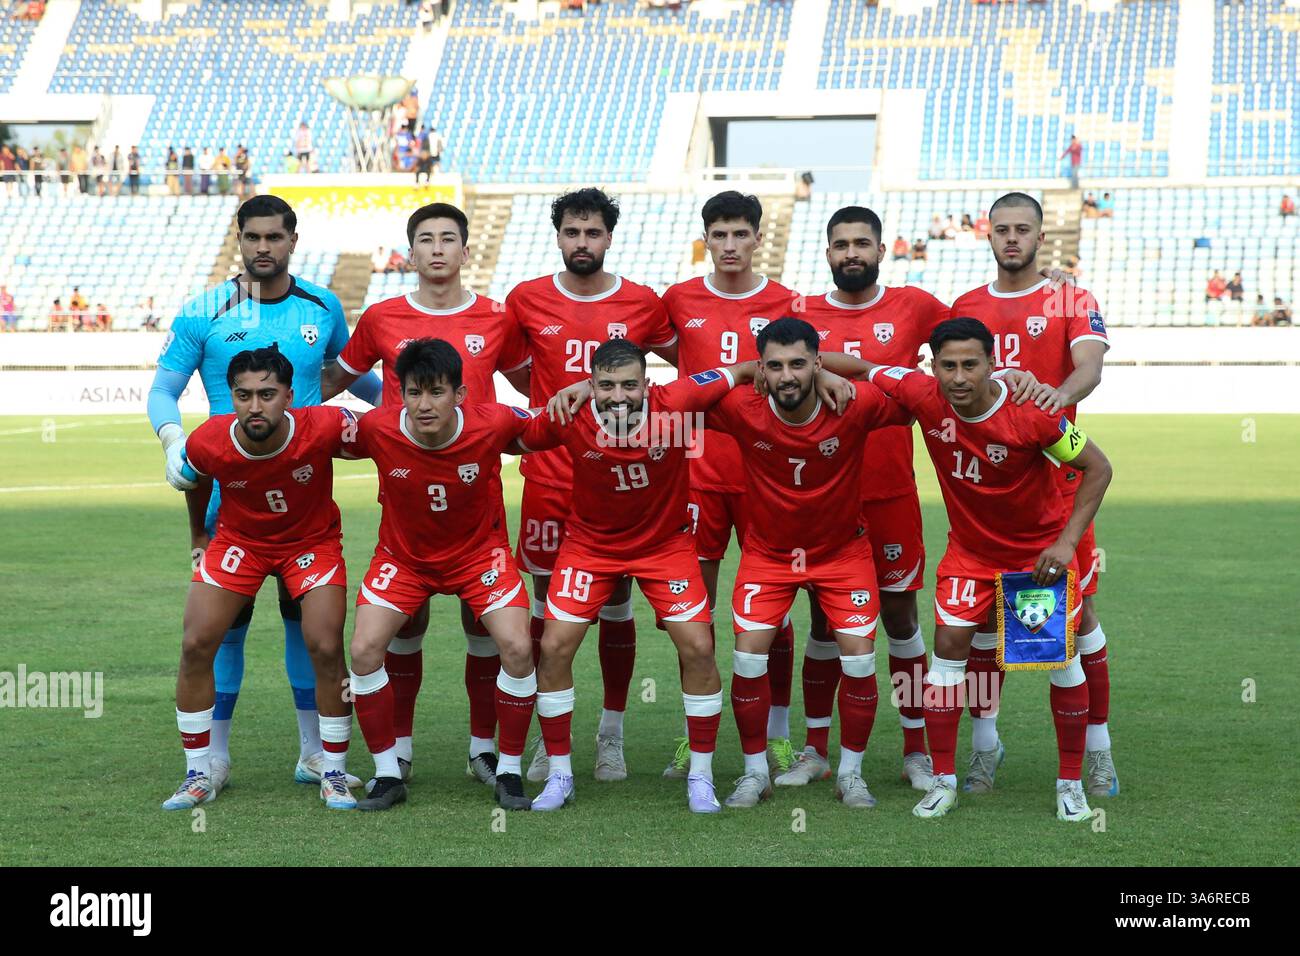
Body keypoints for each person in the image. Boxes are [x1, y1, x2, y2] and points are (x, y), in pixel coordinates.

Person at [147, 194, 382, 797]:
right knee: (220, 633)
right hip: (230, 499)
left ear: (292, 240)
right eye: (251, 238)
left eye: (274, 238)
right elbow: (163, 391)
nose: (262, 249)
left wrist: (412, 414)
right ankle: (213, 762)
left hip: (305, 497)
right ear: (239, 239)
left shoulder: (323, 306)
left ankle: (315, 755)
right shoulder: (204, 311)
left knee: (308, 631)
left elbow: (351, 374)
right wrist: (175, 441)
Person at [836, 318, 1112, 822]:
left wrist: (1066, 541)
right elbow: (861, 366)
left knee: (1061, 664)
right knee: (947, 657)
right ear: (932, 367)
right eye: (948, 366)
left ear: (993, 366)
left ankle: (1071, 783)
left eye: (970, 365)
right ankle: (943, 780)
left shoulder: (1033, 414)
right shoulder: (923, 396)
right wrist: (820, 371)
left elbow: (1099, 467)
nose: (958, 377)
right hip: (969, 556)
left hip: (1035, 563)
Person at [321, 203, 532, 787]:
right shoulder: (383, 317)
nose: (437, 250)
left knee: (484, 631)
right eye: (425, 241)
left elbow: (533, 388)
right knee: (402, 631)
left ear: (467, 251)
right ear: (409, 254)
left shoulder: (496, 317)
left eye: (448, 240)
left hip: (478, 502)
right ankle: (400, 752)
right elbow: (332, 382)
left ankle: (485, 750)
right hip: (407, 497)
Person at [523, 341, 762, 813]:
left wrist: (831, 376)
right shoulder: (570, 414)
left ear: (647, 385)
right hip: (590, 545)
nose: (619, 396)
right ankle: (559, 774)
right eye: (606, 385)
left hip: (664, 546)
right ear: (590, 385)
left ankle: (701, 776)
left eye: (630, 384)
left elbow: (748, 368)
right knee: (552, 646)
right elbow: (512, 434)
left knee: (697, 646)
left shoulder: (677, 405)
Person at [505, 187, 679, 784]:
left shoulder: (642, 302)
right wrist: (553, 401)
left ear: (610, 237)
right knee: (546, 610)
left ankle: (611, 733)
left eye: (594, 233)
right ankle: (544, 736)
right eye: (573, 232)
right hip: (553, 480)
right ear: (558, 236)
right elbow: (513, 364)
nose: (583, 243)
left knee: (617, 606)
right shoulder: (525, 299)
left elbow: (678, 369)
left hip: (622, 483)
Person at [700, 318, 906, 809]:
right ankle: (755, 774)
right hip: (768, 557)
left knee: (858, 660)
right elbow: (671, 398)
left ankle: (851, 774)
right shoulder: (740, 407)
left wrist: (854, 371)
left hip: (842, 554)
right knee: (748, 658)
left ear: (818, 363)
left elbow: (918, 396)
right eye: (774, 366)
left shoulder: (854, 403)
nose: (787, 376)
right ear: (760, 372)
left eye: (799, 364)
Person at [951, 191, 1116, 798]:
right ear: (986, 234)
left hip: (1060, 488)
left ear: (1041, 237)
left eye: (1023, 229)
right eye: (1002, 229)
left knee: (1076, 622)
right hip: (986, 495)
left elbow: (1090, 368)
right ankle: (985, 750)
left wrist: (1049, 396)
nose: (1011, 238)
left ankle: (1096, 752)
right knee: (979, 629)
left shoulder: (1071, 297)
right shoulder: (967, 305)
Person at [787, 205, 951, 791]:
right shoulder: (799, 312)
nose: (850, 253)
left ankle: (916, 749)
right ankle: (813, 748)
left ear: (882, 249)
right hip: (825, 498)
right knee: (824, 623)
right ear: (827, 252)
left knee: (902, 619)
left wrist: (1055, 283)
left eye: (862, 243)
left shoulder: (916, 306)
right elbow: (768, 361)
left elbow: (976, 334)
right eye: (840, 244)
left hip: (889, 494)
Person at [342, 339, 537, 811]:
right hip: (403, 559)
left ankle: (507, 770)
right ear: (399, 394)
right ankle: (388, 773)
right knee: (365, 649)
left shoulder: (496, 422)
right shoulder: (376, 427)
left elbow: (556, 427)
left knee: (517, 646)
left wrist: (583, 395)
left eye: (436, 392)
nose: (424, 405)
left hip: (479, 557)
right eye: (413, 393)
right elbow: (307, 434)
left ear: (461, 393)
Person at [162, 346, 357, 811]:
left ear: (289, 395)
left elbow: (391, 443)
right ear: (231, 396)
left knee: (326, 646)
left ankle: (331, 770)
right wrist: (198, 535)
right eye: (244, 395)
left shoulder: (326, 426)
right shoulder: (210, 438)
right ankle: (198, 773)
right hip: (239, 544)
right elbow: (195, 478)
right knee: (196, 643)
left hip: (312, 543)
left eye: (267, 394)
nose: (254, 406)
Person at [659, 190, 800, 777]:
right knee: (696, 611)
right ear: (706, 240)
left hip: (770, 475)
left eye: (742, 234)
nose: (731, 245)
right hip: (698, 473)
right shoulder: (678, 299)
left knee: (776, 612)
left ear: (758, 238)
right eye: (720, 235)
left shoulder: (789, 302)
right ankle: (698, 737)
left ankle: (781, 734)